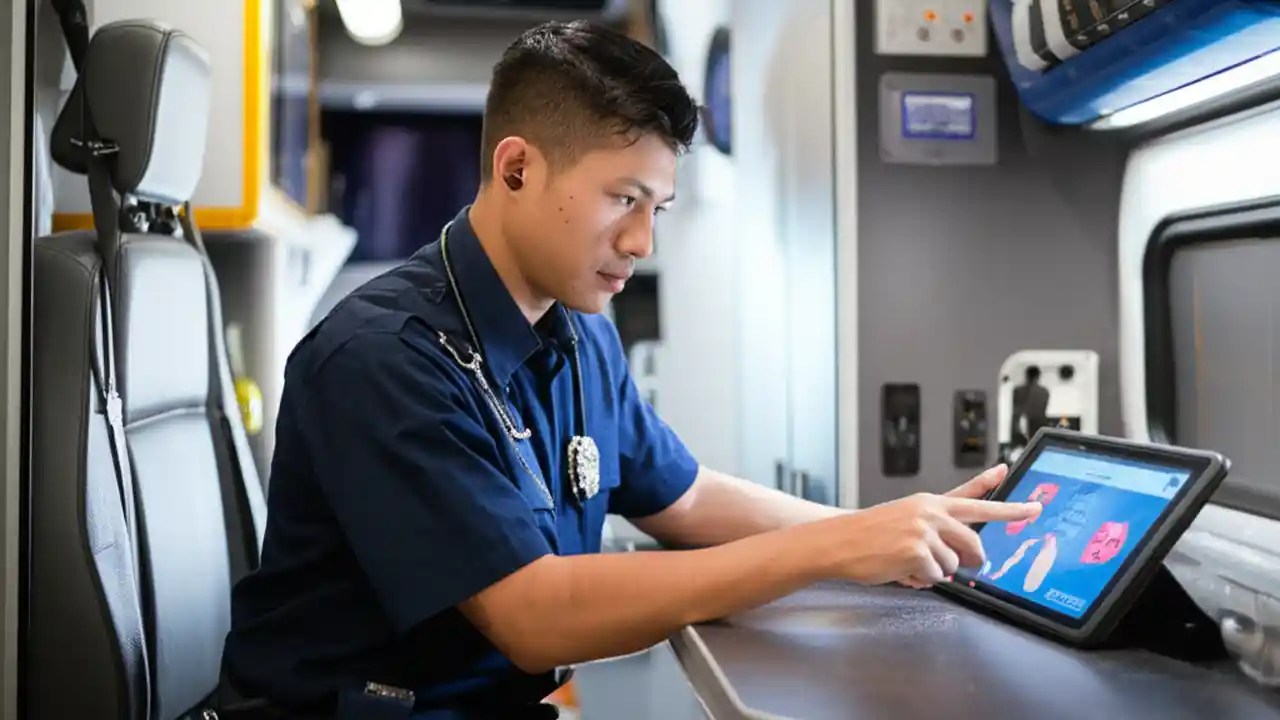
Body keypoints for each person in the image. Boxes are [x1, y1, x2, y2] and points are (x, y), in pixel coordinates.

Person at [221, 20, 1041, 719]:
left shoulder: (580, 331)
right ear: (516, 170)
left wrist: (881, 530)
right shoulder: (383, 357)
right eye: (623, 200)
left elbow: (684, 498)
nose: (643, 242)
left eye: (659, 209)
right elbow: (534, 616)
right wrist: (835, 551)